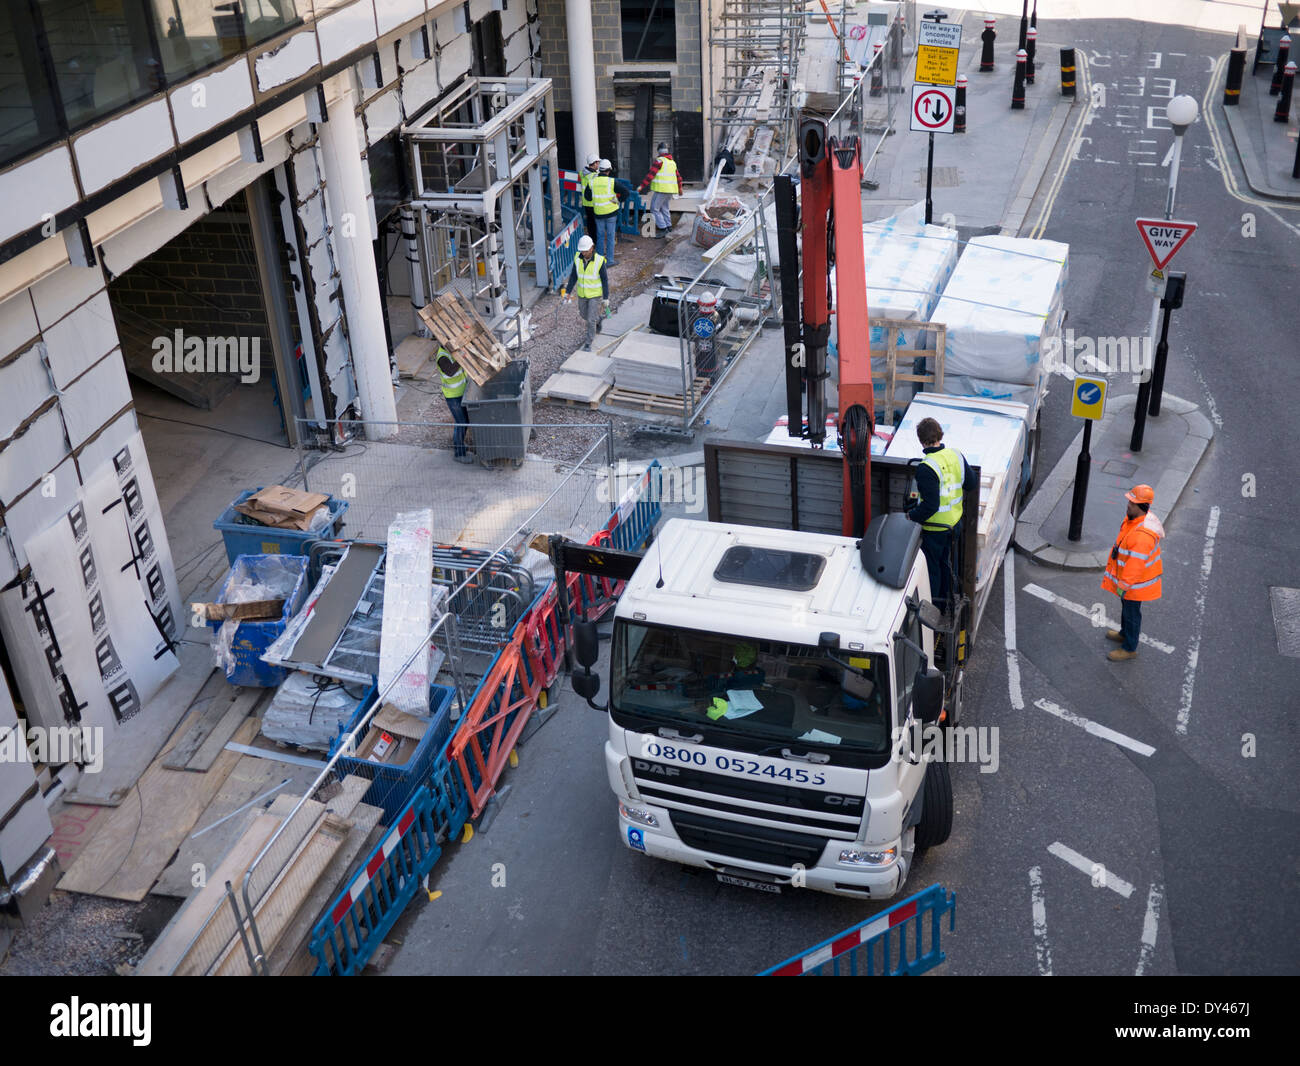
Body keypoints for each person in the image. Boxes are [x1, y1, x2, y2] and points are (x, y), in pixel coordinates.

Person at [906, 416, 976, 614]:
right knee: (948, 564)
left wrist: (911, 516)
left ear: (921, 441)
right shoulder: (956, 455)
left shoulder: (926, 467)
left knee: (932, 570)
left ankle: (933, 610)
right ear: (940, 435)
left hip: (935, 529)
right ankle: (948, 603)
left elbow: (930, 506)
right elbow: (971, 483)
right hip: (954, 524)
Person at [1101, 484, 1165, 662]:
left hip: (1134, 585)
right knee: (1127, 611)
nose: (1128, 505)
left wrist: (1122, 586)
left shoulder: (1142, 535)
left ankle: (1130, 647)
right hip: (1131, 583)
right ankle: (1124, 633)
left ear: (1141, 507)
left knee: (1132, 614)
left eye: (1132, 503)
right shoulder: (1133, 520)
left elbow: (1134, 566)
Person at [563, 235, 609, 351]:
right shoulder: (577, 258)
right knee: (584, 315)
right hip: (582, 294)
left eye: (586, 250)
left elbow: (604, 280)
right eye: (582, 251)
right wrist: (568, 291)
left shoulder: (599, 261)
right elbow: (573, 276)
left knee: (590, 320)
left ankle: (588, 343)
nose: (584, 253)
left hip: (595, 295)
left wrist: (606, 297)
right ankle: (598, 319)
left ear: (592, 248)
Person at [436, 348, 473, 464]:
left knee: (464, 421)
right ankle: (459, 453)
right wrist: (461, 359)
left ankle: (459, 444)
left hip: (462, 392)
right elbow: (450, 371)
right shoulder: (442, 357)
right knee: (460, 422)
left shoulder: (451, 351)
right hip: (453, 396)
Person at [638, 142, 682, 238]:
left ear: (658, 151)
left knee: (654, 208)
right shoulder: (672, 162)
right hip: (669, 190)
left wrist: (641, 186)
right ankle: (669, 226)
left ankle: (663, 228)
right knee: (664, 208)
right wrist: (680, 189)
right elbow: (678, 177)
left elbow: (650, 175)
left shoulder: (659, 161)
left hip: (662, 190)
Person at [584, 159, 620, 266]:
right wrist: (617, 200)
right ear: (609, 170)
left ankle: (599, 261)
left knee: (599, 237)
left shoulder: (592, 182)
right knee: (610, 237)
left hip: (598, 214)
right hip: (611, 214)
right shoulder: (612, 182)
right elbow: (625, 192)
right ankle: (610, 261)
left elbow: (588, 197)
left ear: (599, 170)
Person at [580, 153, 600, 239]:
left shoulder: (582, 173)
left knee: (590, 222)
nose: (598, 164)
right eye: (598, 162)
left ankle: (592, 240)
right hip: (593, 203)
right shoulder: (594, 176)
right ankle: (595, 241)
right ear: (594, 163)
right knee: (596, 224)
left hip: (586, 203)